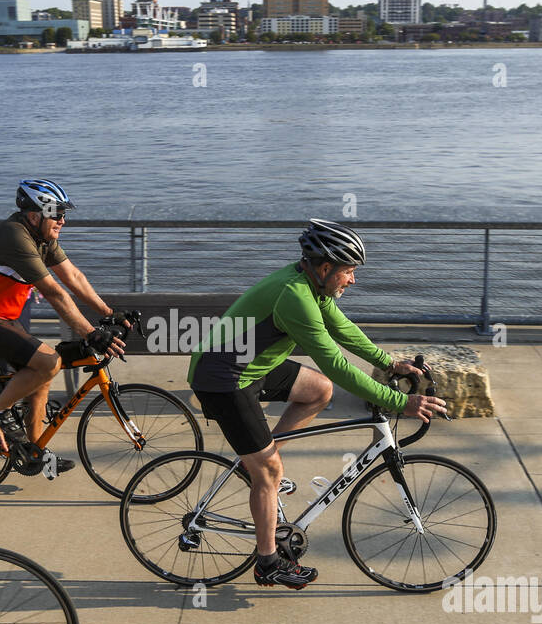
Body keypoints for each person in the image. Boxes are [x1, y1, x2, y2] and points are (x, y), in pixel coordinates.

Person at [188, 219, 446, 589]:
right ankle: (267, 562)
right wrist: (399, 401)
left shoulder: (312, 285)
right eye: (349, 271)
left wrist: (389, 363)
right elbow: (336, 365)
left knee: (318, 390)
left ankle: (257, 464)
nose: (353, 280)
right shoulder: (294, 296)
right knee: (270, 471)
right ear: (325, 268)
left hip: (253, 366)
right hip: (222, 379)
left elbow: (342, 329)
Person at [0, 178, 128, 472]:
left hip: (2, 316)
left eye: (63, 214)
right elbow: (54, 292)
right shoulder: (14, 236)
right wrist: (92, 333)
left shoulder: (42, 237)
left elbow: (73, 277)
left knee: (42, 375)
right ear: (34, 216)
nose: (63, 221)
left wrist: (110, 312)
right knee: (49, 362)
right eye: (57, 214)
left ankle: (33, 453)